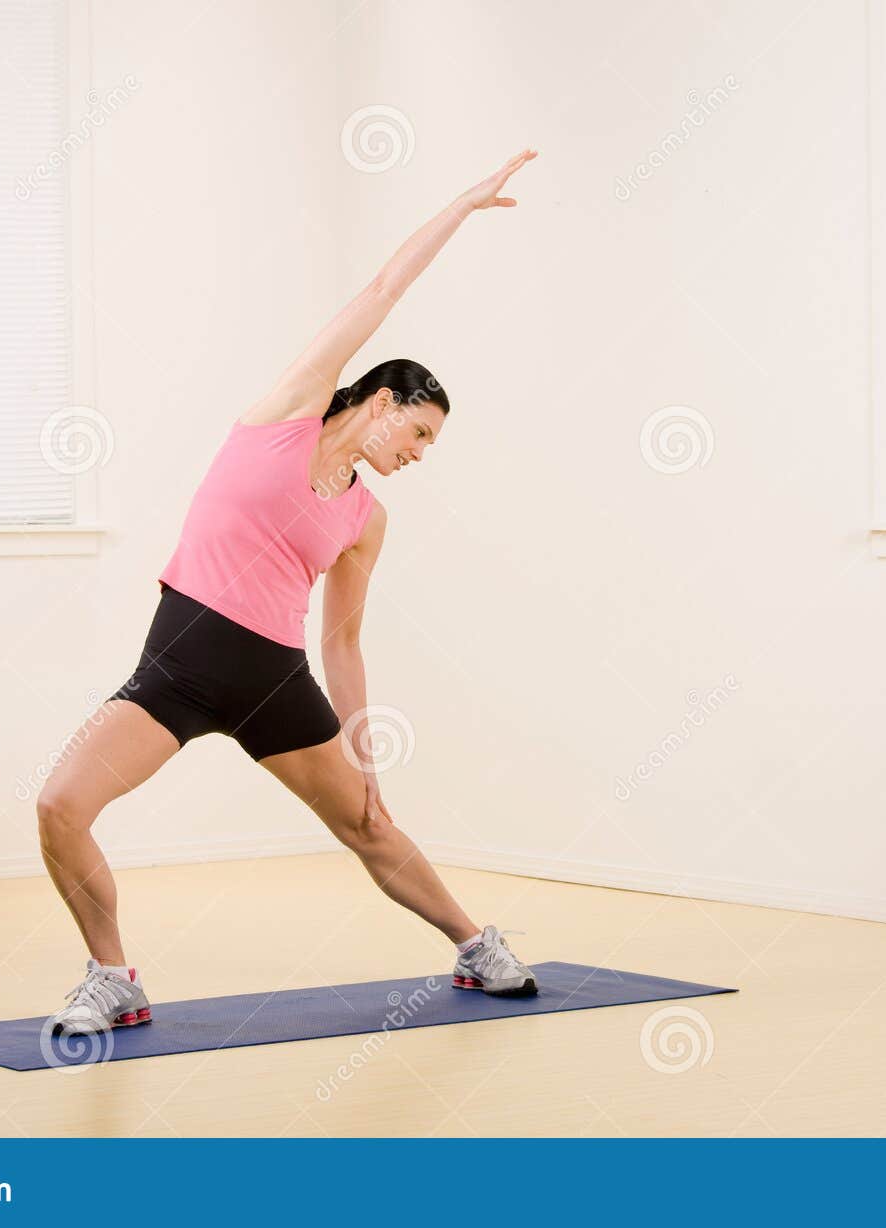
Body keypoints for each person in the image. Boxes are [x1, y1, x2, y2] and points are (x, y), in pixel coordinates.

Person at [36, 150, 541, 1035]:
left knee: (370, 827)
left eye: (430, 445)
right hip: (176, 670)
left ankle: (473, 942)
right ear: (381, 399)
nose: (418, 452)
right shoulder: (283, 417)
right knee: (59, 806)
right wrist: (459, 208)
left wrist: (363, 749)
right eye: (417, 431)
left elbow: (342, 641)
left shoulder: (366, 519)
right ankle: (112, 975)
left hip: (275, 682)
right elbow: (381, 289)